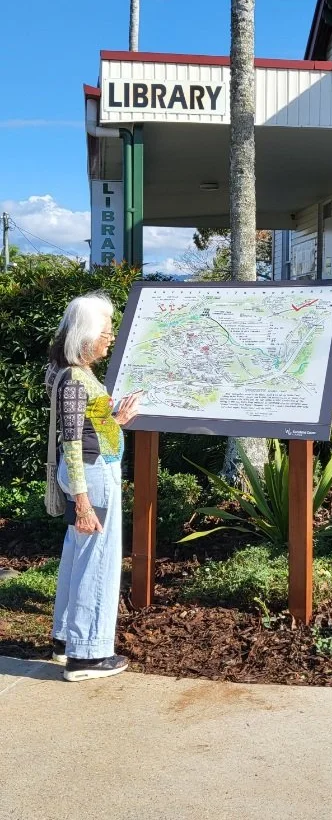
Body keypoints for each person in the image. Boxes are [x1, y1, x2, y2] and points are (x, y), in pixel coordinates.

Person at [45, 292, 141, 683]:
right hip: (91, 477)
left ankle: (66, 639)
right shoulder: (73, 379)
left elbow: (89, 428)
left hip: (89, 473)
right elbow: (71, 442)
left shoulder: (71, 373)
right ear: (85, 335)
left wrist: (117, 418)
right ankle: (87, 657)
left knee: (78, 554)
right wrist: (82, 501)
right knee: (97, 561)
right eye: (105, 331)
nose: (111, 337)